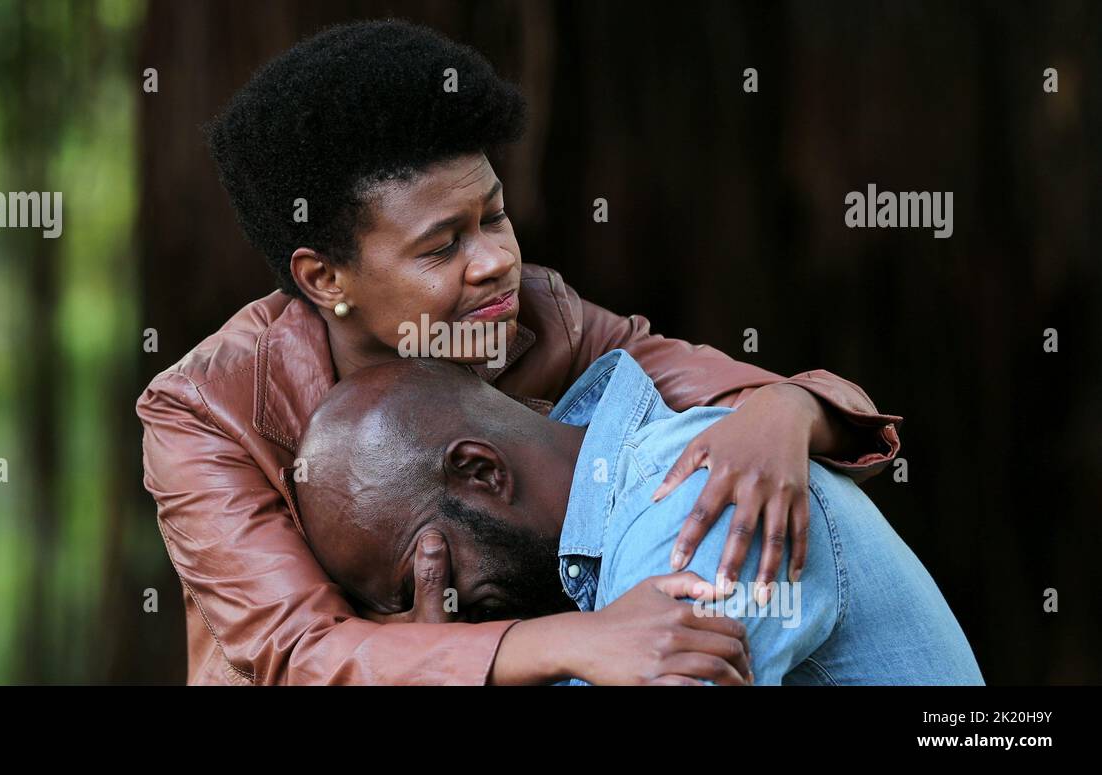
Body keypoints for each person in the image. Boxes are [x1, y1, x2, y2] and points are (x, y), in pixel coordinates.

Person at [137, 19, 903, 685]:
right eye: (442, 246)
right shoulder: (208, 410)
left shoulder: (540, 315)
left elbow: (743, 390)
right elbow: (295, 650)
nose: (495, 259)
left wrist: (789, 408)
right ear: (324, 277)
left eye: (494, 215)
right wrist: (565, 642)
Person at [294, 353, 984, 685]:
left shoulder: (690, 506)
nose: (428, 617)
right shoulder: (606, 573)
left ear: (483, 473)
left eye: (417, 571)